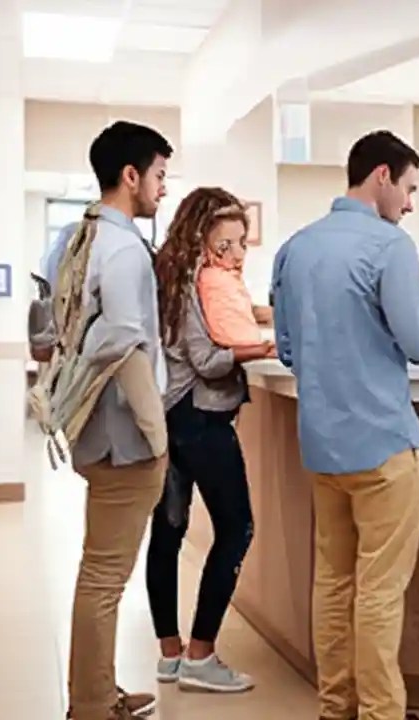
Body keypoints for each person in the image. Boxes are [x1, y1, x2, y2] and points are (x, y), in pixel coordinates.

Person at [270, 130, 419, 720]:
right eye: (409, 188)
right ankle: (380, 714)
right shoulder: (390, 246)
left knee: (332, 582)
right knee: (379, 591)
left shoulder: (295, 249)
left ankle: (336, 707)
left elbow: (287, 349)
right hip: (383, 446)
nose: (411, 203)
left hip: (322, 447)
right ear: (381, 177)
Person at [50, 120, 173, 720]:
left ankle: (97, 692)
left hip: (97, 431)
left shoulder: (76, 237)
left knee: (98, 572)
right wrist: (156, 434)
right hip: (125, 439)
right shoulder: (124, 248)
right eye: (159, 175)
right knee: (104, 578)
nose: (163, 188)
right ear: (130, 176)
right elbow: (125, 339)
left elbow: (53, 328)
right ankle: (93, 707)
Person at [146, 187, 275, 693]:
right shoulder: (191, 282)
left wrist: (260, 318)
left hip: (172, 416)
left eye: (242, 244)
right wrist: (260, 350)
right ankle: (200, 657)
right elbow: (207, 359)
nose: (238, 255)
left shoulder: (171, 274)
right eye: (228, 245)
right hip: (199, 417)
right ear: (202, 238)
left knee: (169, 531)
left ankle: (171, 654)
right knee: (237, 529)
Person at [194, 208, 275, 354]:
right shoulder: (216, 280)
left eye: (242, 243)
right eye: (224, 246)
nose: (239, 254)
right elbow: (238, 339)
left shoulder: (225, 275)